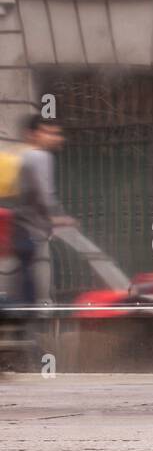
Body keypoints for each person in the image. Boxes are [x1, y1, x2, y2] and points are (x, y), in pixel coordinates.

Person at [10, 116, 76, 307]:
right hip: (26, 228)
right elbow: (45, 194)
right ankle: (26, 323)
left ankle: (23, 322)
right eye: (49, 133)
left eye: (57, 134)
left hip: (19, 226)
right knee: (30, 282)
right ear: (34, 134)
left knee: (25, 275)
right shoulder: (39, 156)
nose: (56, 138)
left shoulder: (22, 155)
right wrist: (57, 218)